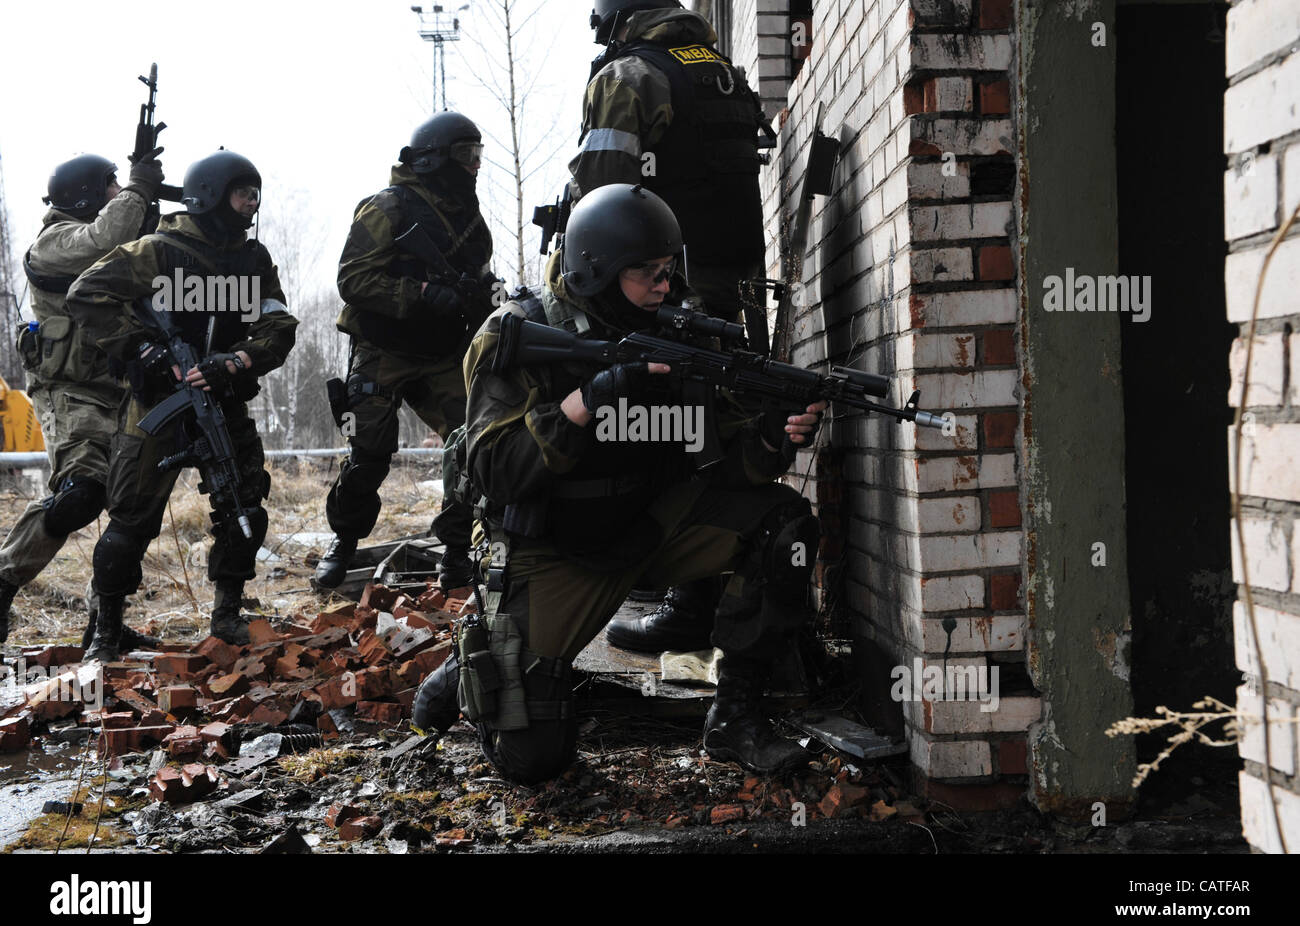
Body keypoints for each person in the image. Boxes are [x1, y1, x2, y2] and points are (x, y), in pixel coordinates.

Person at [413, 184, 825, 783]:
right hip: (555, 547)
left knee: (782, 523)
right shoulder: (519, 333)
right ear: (598, 271)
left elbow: (727, 463)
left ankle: (737, 716)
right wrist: (587, 402)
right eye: (646, 273)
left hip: (652, 523)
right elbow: (496, 472)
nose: (663, 285)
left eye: (667, 270)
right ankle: (471, 663)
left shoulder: (679, 331)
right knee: (535, 761)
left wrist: (769, 438)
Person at [571, 0, 776, 655]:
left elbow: (603, 197)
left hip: (663, 291)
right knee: (721, 429)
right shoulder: (722, 72)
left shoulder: (630, 76)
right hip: (732, 289)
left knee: (667, 434)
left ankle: (680, 599)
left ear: (617, 20)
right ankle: (719, 608)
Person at [68, 151, 297, 663]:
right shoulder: (157, 250)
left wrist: (237, 361)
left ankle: (227, 615)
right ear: (213, 193)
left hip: (224, 401)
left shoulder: (253, 261)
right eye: (242, 192)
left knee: (245, 506)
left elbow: (280, 327)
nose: (251, 203)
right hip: (157, 402)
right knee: (131, 518)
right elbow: (87, 294)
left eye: (256, 193)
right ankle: (106, 631)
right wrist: (142, 349)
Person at [313, 112, 500, 594]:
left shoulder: (469, 215)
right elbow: (352, 280)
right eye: (465, 155)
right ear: (434, 157)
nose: (475, 165)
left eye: (478, 155)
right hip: (384, 348)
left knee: (471, 442)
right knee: (370, 453)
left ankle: (457, 552)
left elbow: (478, 273)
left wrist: (487, 295)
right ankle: (345, 540)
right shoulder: (388, 208)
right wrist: (418, 293)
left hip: (441, 351)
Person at [0, 151, 164, 648]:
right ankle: (3, 580)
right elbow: (104, 239)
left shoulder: (114, 241)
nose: (119, 194)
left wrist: (150, 204)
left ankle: (106, 623)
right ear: (88, 196)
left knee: (130, 503)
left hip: (120, 392)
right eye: (111, 186)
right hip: (70, 391)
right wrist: (139, 187)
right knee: (82, 493)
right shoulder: (52, 245)